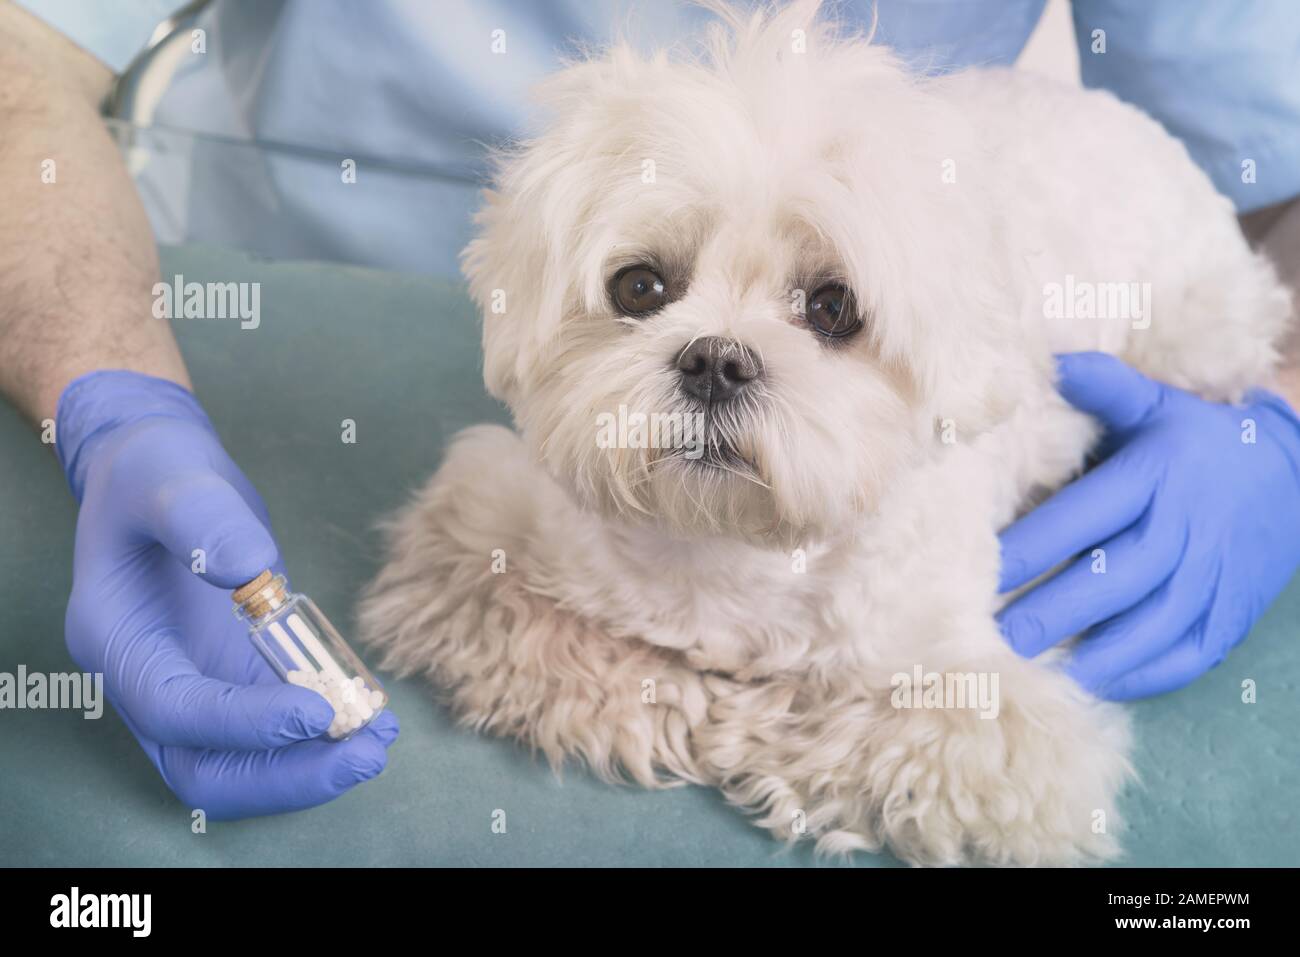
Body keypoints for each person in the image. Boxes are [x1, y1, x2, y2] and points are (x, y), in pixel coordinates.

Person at [1, 0, 1297, 819]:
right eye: (647, 285)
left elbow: (1280, 171)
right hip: (278, 287)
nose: (720, 355)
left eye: (827, 310)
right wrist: (107, 393)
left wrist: (1283, 414)